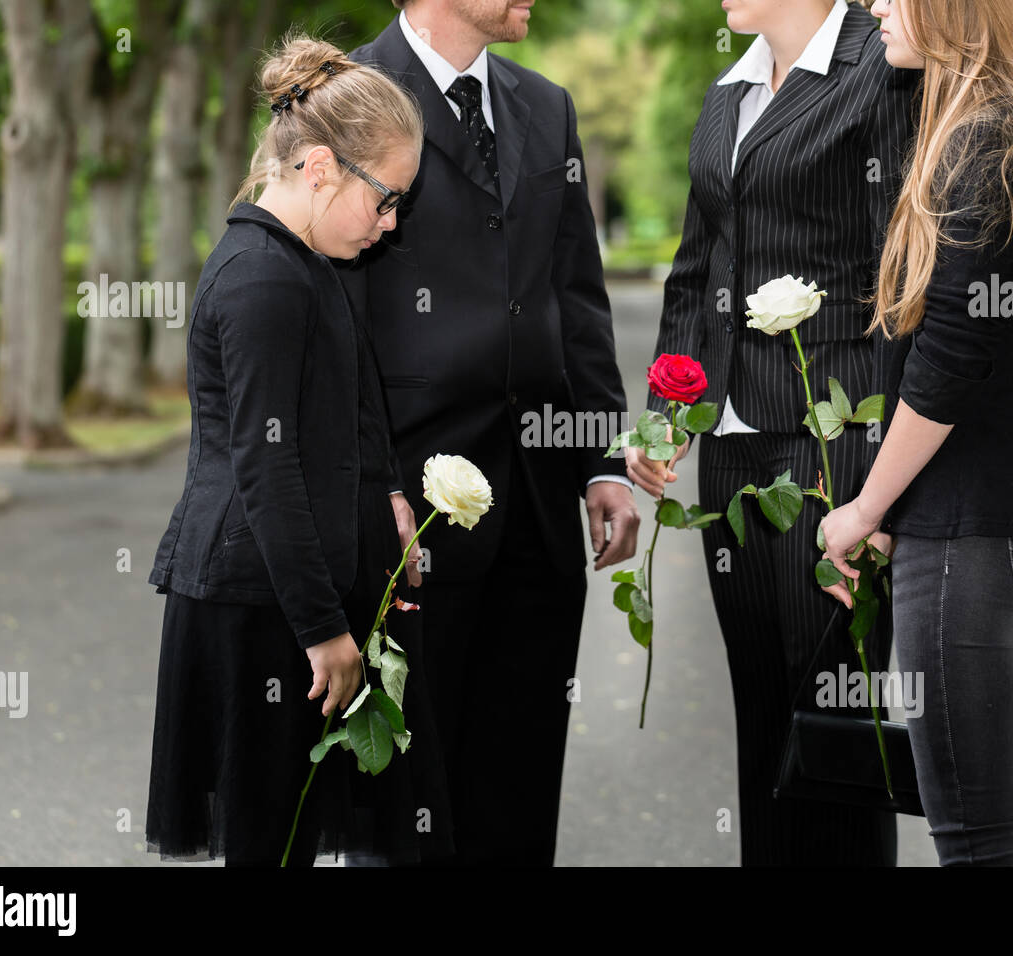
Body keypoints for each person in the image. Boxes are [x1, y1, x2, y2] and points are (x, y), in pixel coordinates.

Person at [340, 0, 640, 866]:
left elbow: (575, 299)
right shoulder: (345, 97)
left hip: (541, 519)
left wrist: (600, 463)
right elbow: (333, 320)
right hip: (409, 519)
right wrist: (375, 486)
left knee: (517, 800)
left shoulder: (548, 107)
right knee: (403, 811)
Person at [145, 34, 454, 867]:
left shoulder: (308, 262)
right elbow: (265, 466)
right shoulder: (260, 280)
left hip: (298, 591)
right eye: (386, 199)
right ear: (320, 166)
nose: (390, 225)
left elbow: (348, 412)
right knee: (270, 842)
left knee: (300, 836)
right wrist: (322, 630)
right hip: (262, 608)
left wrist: (389, 496)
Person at [819, 0, 1013, 865]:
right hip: (1002, 520)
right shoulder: (1009, 130)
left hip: (972, 534)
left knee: (976, 840)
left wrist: (866, 511)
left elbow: (950, 360)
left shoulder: (987, 142)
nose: (872, 3)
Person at [627, 0, 919, 866]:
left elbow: (908, 284)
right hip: (734, 455)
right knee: (762, 713)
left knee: (833, 720)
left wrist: (885, 489)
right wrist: (668, 411)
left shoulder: (885, 68)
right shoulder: (730, 89)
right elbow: (696, 271)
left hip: (839, 452)